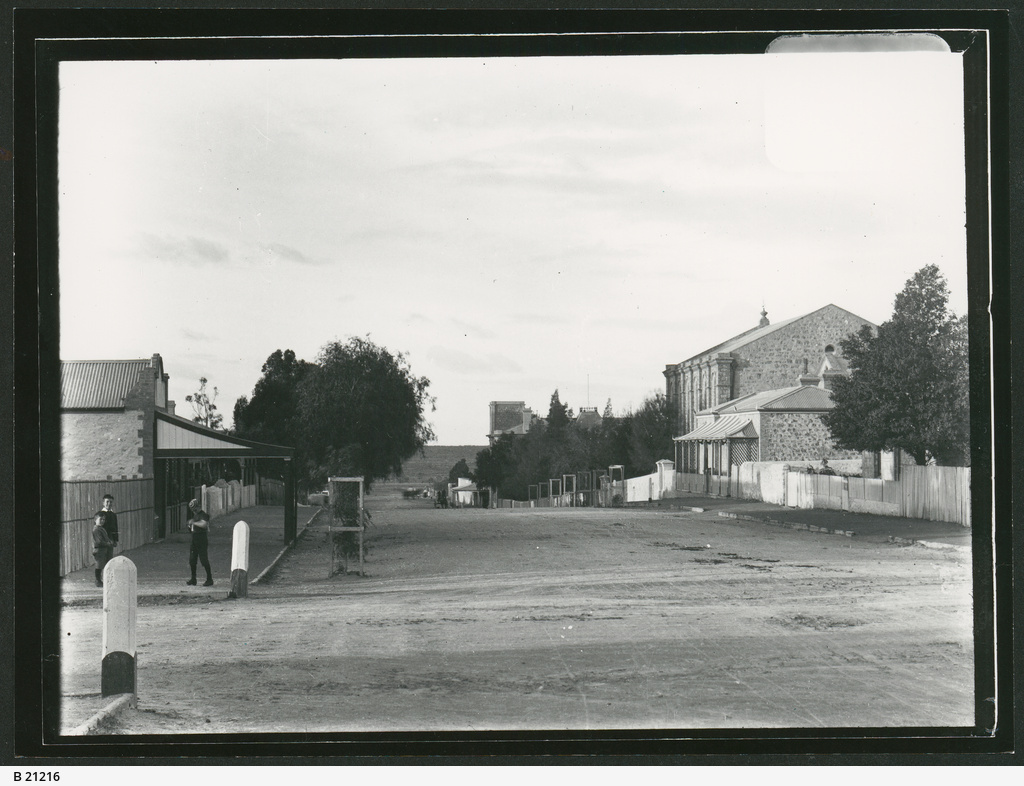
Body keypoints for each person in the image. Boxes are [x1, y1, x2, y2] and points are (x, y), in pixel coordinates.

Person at [186, 499, 213, 586]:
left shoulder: (204, 515)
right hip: (194, 539)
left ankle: (209, 578)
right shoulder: (196, 516)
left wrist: (193, 523)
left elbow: (204, 524)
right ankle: (193, 579)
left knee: (204, 559)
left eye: (195, 509)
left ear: (198, 507)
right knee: (192, 560)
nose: (194, 511)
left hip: (201, 539)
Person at [92, 513, 115, 587]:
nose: (102, 521)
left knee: (103, 564)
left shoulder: (101, 528)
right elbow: (99, 541)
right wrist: (108, 543)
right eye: (100, 519)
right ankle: (97, 580)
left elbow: (105, 539)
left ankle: (101, 580)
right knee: (99, 565)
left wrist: (110, 542)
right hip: (99, 550)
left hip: (103, 550)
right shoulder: (96, 529)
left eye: (103, 519)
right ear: (95, 520)